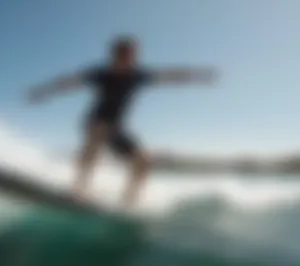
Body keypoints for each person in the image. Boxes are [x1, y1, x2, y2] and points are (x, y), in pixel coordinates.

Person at [27, 36, 217, 208]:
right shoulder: (100, 74)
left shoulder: (137, 76)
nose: (126, 59)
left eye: (130, 55)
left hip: (117, 128)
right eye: (122, 55)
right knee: (99, 132)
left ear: (134, 57)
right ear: (113, 55)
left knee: (143, 161)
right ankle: (78, 190)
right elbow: (69, 82)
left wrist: (198, 75)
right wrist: (43, 91)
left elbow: (170, 76)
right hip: (96, 121)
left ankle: (128, 203)